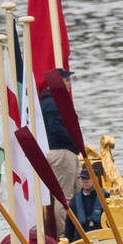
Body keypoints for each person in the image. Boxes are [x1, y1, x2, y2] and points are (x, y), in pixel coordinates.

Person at [40, 69, 80, 235]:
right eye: (67, 80)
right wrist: (75, 140)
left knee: (77, 193)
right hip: (61, 151)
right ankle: (65, 237)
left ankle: (77, 231)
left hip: (66, 151)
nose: (70, 83)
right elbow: (56, 129)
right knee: (65, 198)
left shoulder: (54, 102)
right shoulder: (53, 103)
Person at [67, 168, 103, 240]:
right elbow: (69, 224)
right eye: (83, 179)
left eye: (88, 178)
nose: (85, 181)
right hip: (81, 239)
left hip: (100, 237)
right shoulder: (75, 199)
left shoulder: (105, 197)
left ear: (96, 179)